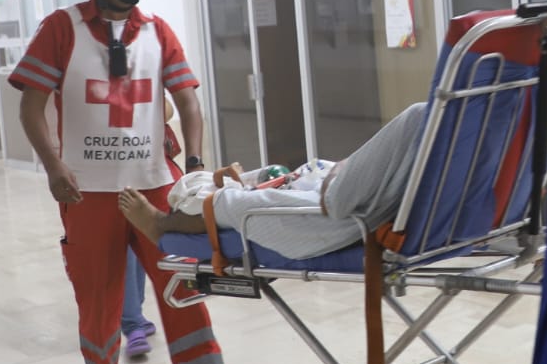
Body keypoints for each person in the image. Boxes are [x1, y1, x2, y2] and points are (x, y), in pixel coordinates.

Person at [9, 0, 262, 364]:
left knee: (181, 289)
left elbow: (188, 100)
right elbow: (31, 105)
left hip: (156, 184)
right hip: (88, 191)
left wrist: (194, 163)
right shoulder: (61, 29)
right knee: (98, 296)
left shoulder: (157, 30)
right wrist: (54, 166)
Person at [119, 104, 425, 259]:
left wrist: (337, 171)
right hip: (363, 208)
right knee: (276, 174)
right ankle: (234, 187)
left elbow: (338, 200)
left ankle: (161, 226)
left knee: (231, 203)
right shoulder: (453, 144)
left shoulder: (419, 118)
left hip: (339, 218)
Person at [121, 94, 184, 361]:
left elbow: (167, 110)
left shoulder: (144, 67)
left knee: (141, 248)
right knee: (123, 253)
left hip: (148, 173)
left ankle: (136, 316)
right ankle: (132, 324)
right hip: (111, 177)